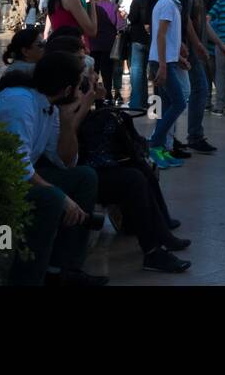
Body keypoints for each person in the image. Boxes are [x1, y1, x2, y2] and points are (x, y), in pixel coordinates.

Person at [0, 47, 106, 286]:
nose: (81, 91)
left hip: (16, 176)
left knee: (84, 177)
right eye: (79, 86)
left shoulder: (48, 105)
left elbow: (65, 162)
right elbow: (18, 164)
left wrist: (68, 122)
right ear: (67, 89)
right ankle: (28, 278)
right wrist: (60, 196)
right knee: (50, 198)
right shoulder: (21, 102)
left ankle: (63, 268)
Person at [72, 56, 191, 273]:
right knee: (135, 177)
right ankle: (154, 249)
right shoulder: (69, 100)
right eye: (91, 73)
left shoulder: (80, 96)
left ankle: (161, 234)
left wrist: (95, 101)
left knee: (140, 169)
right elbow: (71, 142)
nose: (96, 76)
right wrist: (89, 103)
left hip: (97, 163)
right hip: (85, 168)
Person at [146, 0, 192, 170]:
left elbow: (169, 37)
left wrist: (177, 58)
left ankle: (160, 148)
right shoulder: (166, 4)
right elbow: (161, 36)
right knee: (179, 103)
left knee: (168, 105)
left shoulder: (172, 4)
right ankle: (154, 144)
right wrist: (163, 65)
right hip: (161, 62)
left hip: (167, 61)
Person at [183, 0, 225, 152]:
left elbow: (203, 24)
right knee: (193, 92)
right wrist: (197, 46)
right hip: (188, 51)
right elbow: (187, 22)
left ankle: (190, 136)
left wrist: (219, 43)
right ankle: (188, 136)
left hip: (195, 50)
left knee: (196, 91)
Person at [88, 0, 122, 98]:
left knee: (93, 72)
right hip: (108, 44)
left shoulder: (91, 6)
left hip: (93, 43)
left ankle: (93, 96)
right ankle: (108, 97)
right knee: (107, 73)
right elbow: (120, 25)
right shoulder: (113, 7)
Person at [124, 0, 152, 111]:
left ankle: (136, 102)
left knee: (136, 71)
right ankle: (147, 101)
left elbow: (133, 18)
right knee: (148, 72)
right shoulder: (155, 0)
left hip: (137, 39)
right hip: (151, 40)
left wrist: (126, 15)